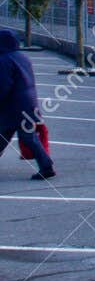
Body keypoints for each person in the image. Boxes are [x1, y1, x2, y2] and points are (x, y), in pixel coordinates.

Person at [0, 29, 56, 181]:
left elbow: (3, 85)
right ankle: (46, 166)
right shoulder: (23, 57)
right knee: (28, 137)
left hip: (13, 108)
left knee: (5, 135)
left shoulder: (4, 60)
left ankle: (47, 166)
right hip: (28, 105)